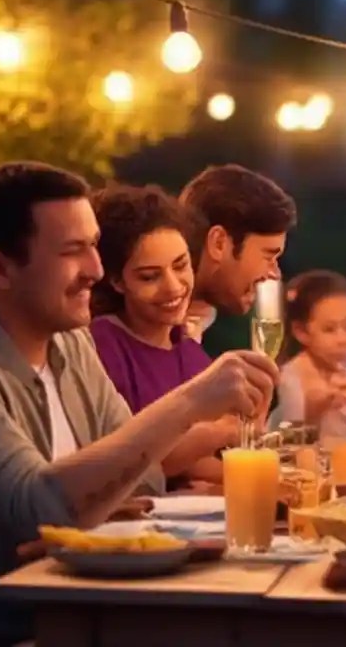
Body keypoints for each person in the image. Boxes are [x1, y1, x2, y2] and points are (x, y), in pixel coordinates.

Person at [0, 163, 278, 646]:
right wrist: (191, 403)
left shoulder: (70, 345)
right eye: (73, 251)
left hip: (49, 616)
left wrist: (74, 519)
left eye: (94, 245)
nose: (95, 269)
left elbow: (145, 473)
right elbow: (40, 505)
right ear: (1, 268)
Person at [88, 184, 237, 484]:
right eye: (150, 276)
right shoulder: (102, 345)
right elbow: (134, 463)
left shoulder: (189, 351)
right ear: (117, 281)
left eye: (181, 266)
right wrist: (224, 429)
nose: (173, 286)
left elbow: (194, 464)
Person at [270, 270, 346, 443]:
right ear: (301, 332)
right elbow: (292, 445)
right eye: (329, 329)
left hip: (344, 461)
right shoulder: (293, 374)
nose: (342, 339)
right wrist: (320, 404)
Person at [178, 163, 297, 319]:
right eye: (268, 257)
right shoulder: (150, 328)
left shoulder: (198, 320)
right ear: (218, 243)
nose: (275, 274)